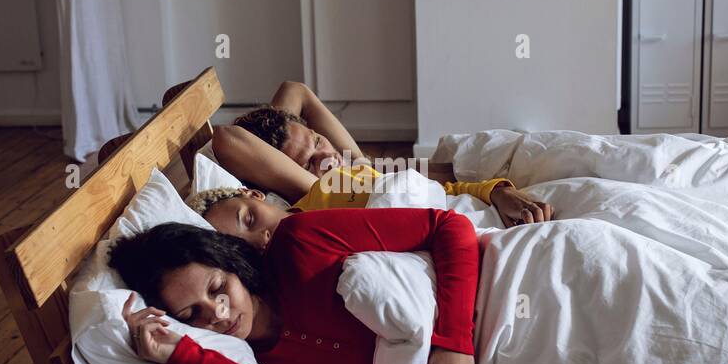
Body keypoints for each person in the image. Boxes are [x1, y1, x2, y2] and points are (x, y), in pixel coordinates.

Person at [108, 206, 480, 364]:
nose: (217, 316)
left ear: (232, 264)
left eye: (219, 289)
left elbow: (449, 225)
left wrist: (454, 341)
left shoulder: (301, 242)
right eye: (192, 315)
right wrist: (186, 358)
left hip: (494, 285)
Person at [211, 80, 553, 225]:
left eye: (317, 141)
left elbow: (294, 90)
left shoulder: (355, 167)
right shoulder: (310, 192)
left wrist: (499, 190)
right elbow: (227, 139)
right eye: (308, 163)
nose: (325, 158)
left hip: (462, 192)